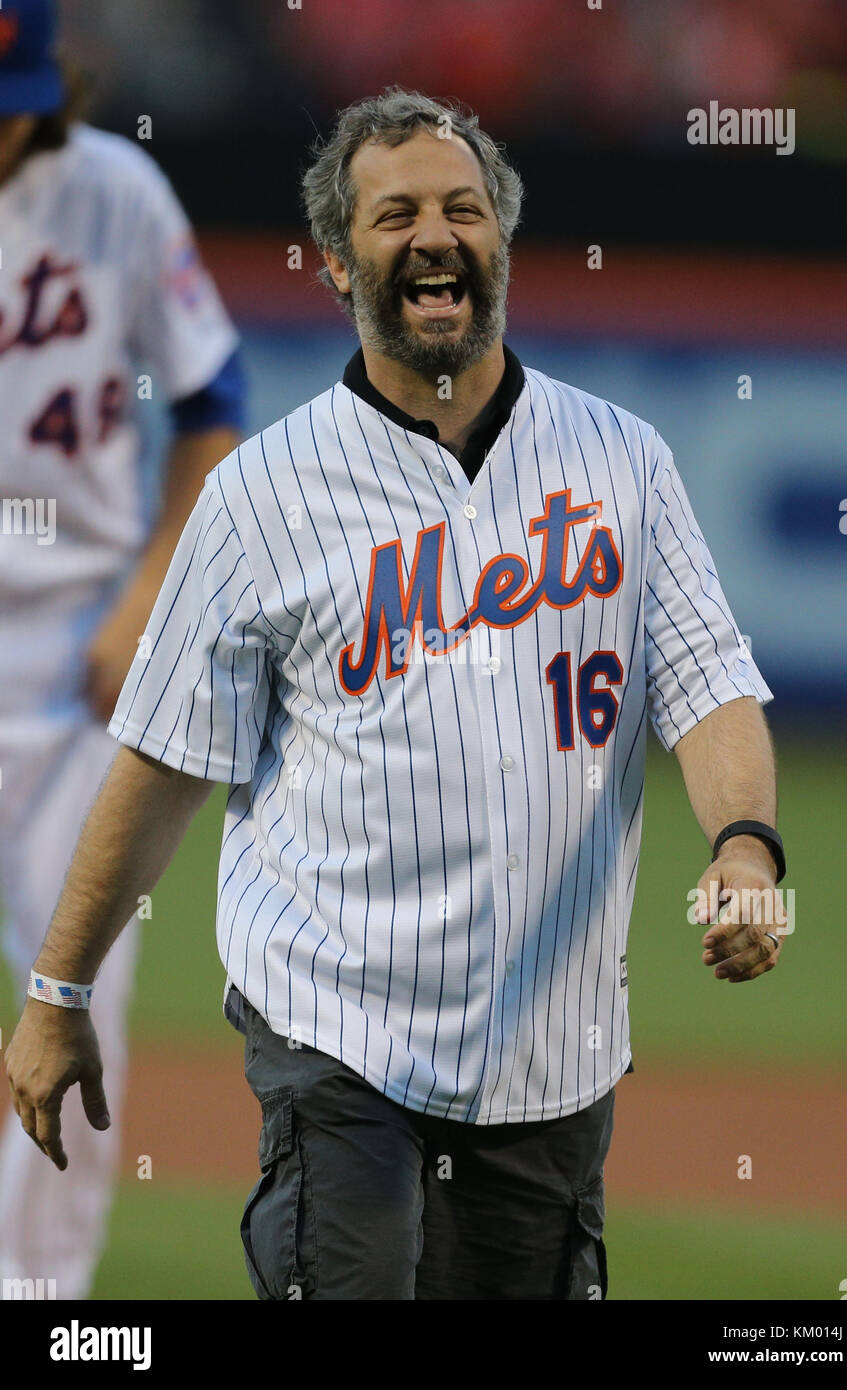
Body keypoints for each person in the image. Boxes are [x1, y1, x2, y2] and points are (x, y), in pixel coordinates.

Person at [4, 87, 786, 1301]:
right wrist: (58, 991)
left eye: (463, 209)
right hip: (336, 1037)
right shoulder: (262, 495)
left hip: (554, 1055)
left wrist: (745, 846)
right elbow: (162, 761)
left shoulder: (622, 461)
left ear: (500, 242)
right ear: (333, 264)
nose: (435, 235)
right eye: (395, 215)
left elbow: (708, 683)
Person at [0, 0, 244, 1299]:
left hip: (76, 658)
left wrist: (152, 584)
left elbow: (213, 405)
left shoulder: (116, 194)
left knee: (68, 997)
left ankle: (34, 1301)